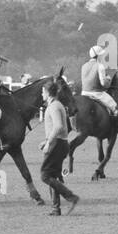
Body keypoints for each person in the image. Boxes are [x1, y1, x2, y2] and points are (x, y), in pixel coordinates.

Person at [38, 80, 79, 215]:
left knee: (45, 175)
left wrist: (49, 142)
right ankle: (56, 209)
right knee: (54, 176)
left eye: (43, 91)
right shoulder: (55, 105)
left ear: (48, 93)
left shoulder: (54, 106)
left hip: (57, 144)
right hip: (60, 143)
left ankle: (71, 197)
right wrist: (46, 141)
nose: (41, 94)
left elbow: (59, 126)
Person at [80, 44, 118, 141]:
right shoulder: (99, 66)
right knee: (116, 108)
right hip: (96, 93)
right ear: (98, 55)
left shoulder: (84, 66)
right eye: (101, 55)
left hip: (84, 94)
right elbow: (104, 84)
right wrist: (108, 79)